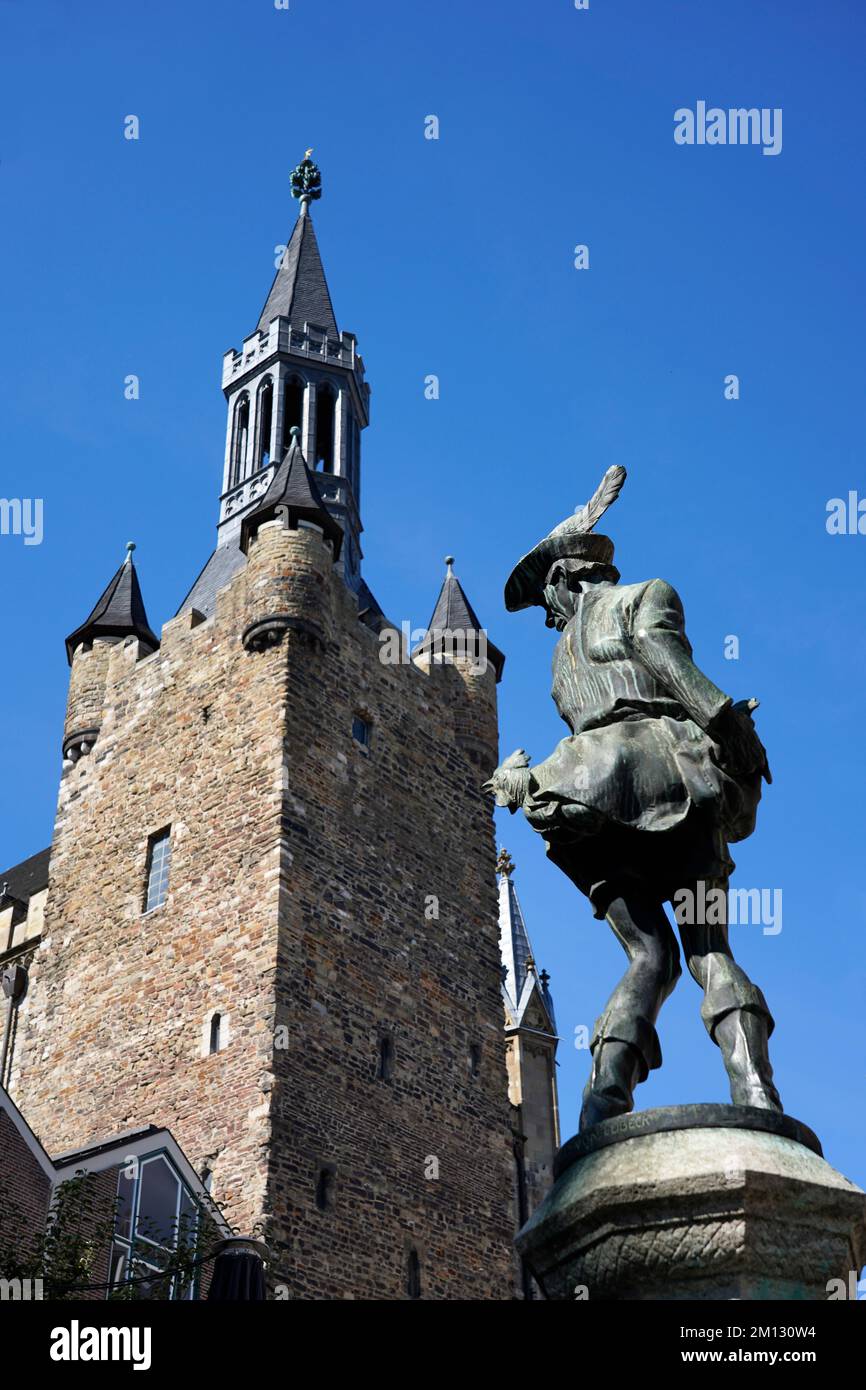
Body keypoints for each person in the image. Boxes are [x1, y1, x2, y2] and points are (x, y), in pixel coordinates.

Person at [486, 467, 782, 1130]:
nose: (548, 616)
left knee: (649, 956)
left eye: (546, 599)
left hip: (585, 802)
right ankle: (757, 1092)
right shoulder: (649, 596)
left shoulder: (562, 657)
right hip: (667, 781)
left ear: (565, 578)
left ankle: (602, 1103)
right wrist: (728, 721)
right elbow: (664, 660)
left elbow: (594, 720)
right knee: (709, 949)